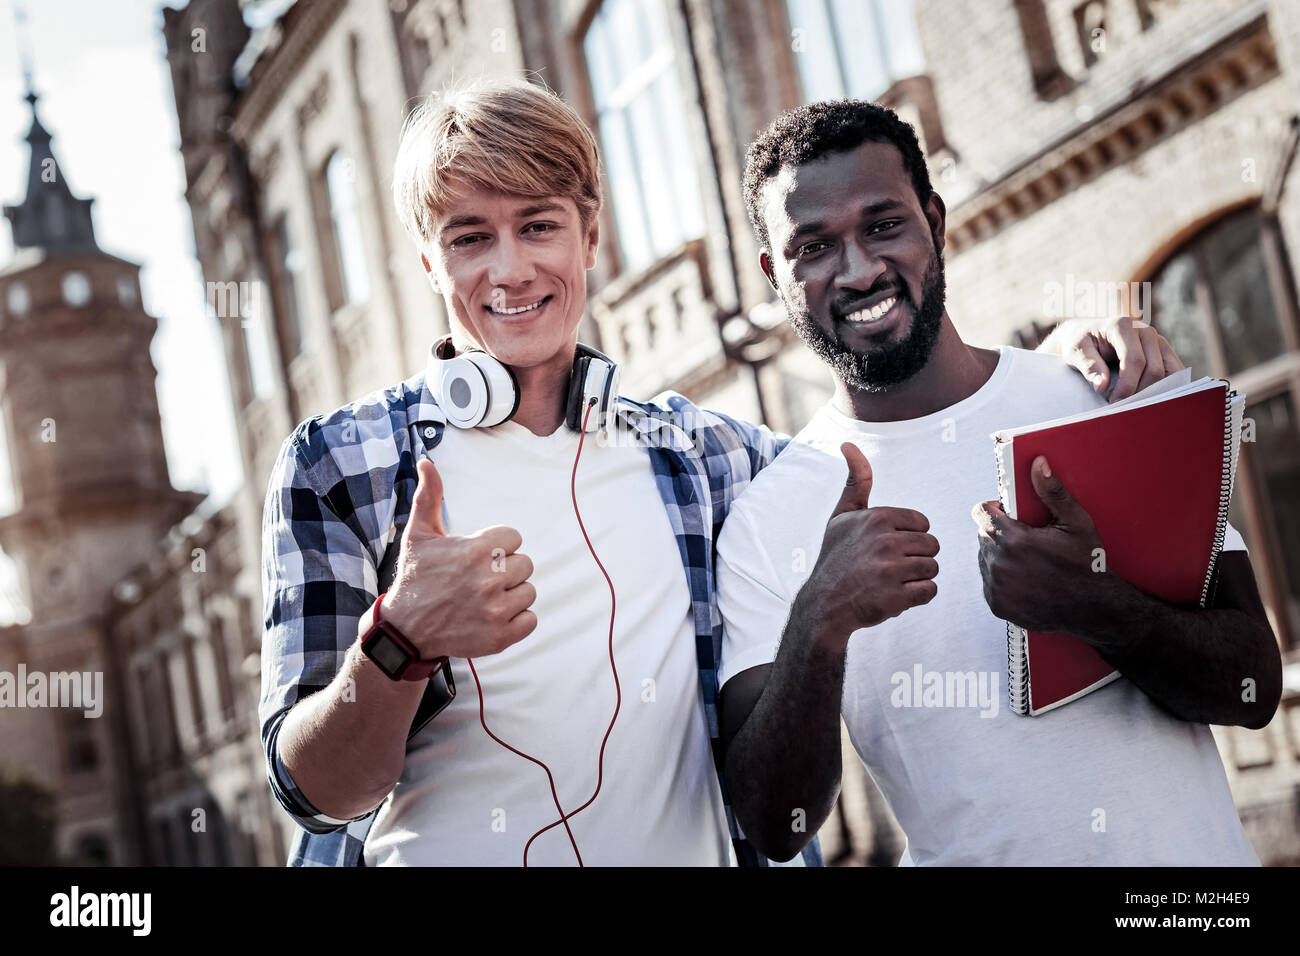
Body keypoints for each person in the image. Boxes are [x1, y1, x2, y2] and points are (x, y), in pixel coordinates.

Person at [258, 80, 1185, 866]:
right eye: (469, 238)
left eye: (537, 225)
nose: (510, 269)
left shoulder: (707, 457)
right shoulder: (343, 464)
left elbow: (906, 429)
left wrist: (1052, 362)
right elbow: (314, 793)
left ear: (590, 238)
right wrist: (398, 642)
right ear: (429, 260)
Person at [716, 99, 1283, 865]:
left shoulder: (1094, 396)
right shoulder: (769, 518)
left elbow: (1252, 683)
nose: (858, 271)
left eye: (884, 225)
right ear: (775, 274)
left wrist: (1095, 606)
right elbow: (775, 825)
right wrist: (820, 622)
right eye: (812, 246)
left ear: (935, 221)